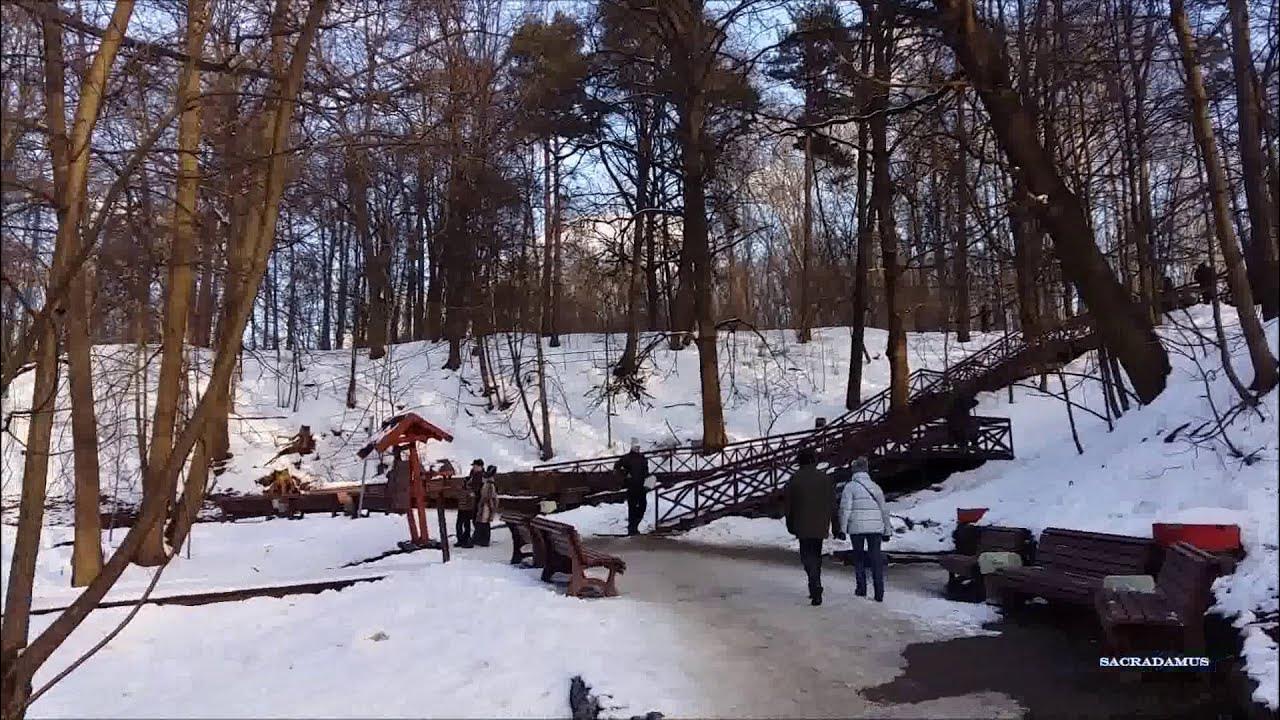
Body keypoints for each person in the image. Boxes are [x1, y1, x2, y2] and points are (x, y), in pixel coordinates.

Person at [783, 449, 838, 606]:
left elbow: (789, 505)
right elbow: (833, 504)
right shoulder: (825, 479)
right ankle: (816, 583)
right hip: (821, 524)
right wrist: (836, 526)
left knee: (806, 556)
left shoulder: (795, 479)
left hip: (802, 523)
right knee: (816, 554)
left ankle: (814, 583)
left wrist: (790, 524)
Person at [838, 457, 892, 602]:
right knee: (876, 558)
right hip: (875, 528)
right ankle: (879, 591)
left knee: (859, 558)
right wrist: (887, 530)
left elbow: (845, 509)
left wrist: (842, 529)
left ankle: (861, 588)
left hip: (857, 528)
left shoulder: (850, 487)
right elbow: (884, 510)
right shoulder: (876, 487)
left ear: (854, 470)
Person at [614, 439, 650, 536]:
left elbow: (647, 472)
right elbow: (617, 467)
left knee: (643, 507)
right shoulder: (626, 458)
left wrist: (648, 484)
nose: (638, 449)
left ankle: (635, 525)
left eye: (638, 447)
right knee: (632, 508)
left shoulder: (642, 458)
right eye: (636, 447)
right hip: (631, 486)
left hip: (642, 487)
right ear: (632, 447)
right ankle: (632, 528)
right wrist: (625, 475)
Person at [454, 459, 483, 548]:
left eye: (475, 466)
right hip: (467, 504)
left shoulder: (481, 476)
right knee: (465, 523)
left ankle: (469, 539)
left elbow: (476, 491)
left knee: (469, 522)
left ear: (479, 466)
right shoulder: (472, 474)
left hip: (472, 504)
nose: (473, 467)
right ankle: (465, 539)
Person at [474, 465, 500, 547]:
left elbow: (488, 496)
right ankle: (481, 539)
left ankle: (483, 540)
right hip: (486, 504)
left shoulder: (489, 484)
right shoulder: (489, 482)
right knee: (483, 522)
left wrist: (484, 503)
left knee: (484, 522)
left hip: (487, 505)